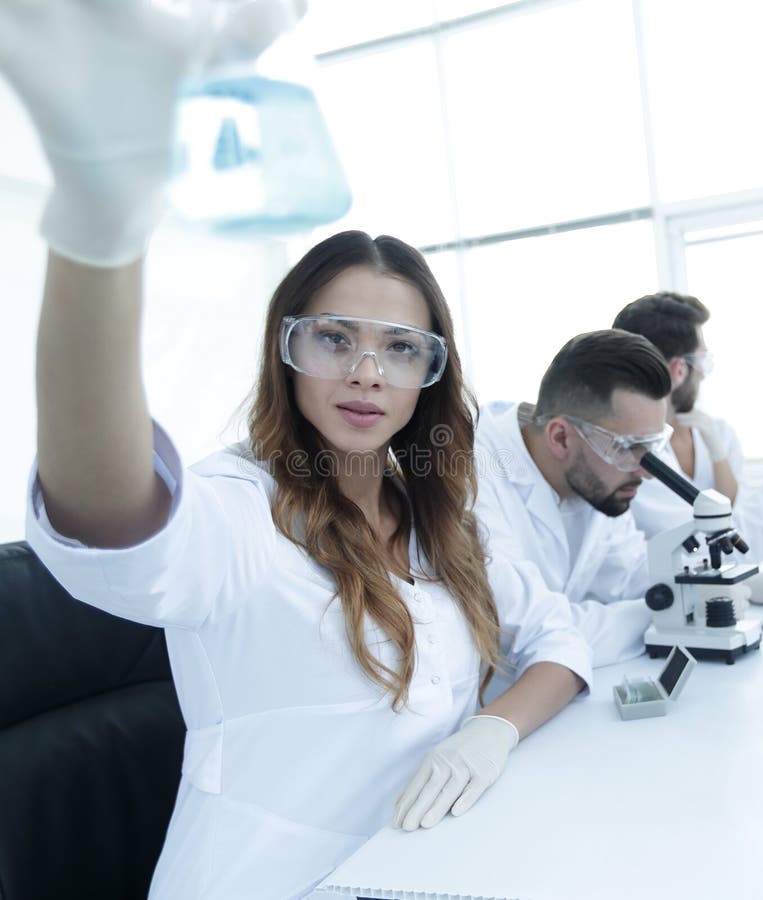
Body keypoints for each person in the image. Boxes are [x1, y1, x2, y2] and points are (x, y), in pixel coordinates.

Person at [2, 5, 590, 898]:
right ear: (286, 350)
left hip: (411, 873)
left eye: (400, 348)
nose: (365, 371)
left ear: (430, 375)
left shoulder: (435, 520)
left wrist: (494, 727)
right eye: (333, 337)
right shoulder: (242, 513)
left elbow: (558, 639)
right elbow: (107, 512)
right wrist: (100, 225)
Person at [475, 330, 673, 668]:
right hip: (498, 702)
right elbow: (531, 631)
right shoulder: (475, 474)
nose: (647, 472)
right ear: (561, 437)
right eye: (629, 448)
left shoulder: (595, 477)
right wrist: (667, 611)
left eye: (652, 447)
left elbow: (629, 574)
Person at [612, 292, 763, 560]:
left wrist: (718, 455)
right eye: (701, 361)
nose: (704, 373)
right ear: (678, 369)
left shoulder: (717, 433)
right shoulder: (625, 455)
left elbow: (737, 515)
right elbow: (705, 535)